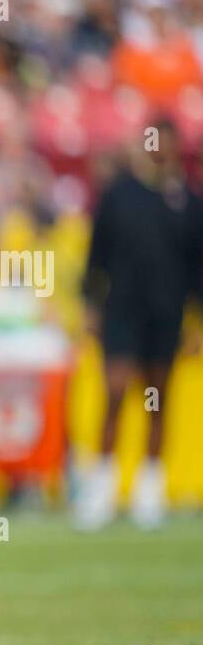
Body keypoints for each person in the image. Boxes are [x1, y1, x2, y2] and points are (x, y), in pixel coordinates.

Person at [75, 121, 203, 530]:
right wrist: (91, 307)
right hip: (123, 310)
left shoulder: (188, 200)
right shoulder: (120, 194)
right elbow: (97, 254)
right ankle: (102, 487)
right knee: (114, 392)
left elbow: (197, 267)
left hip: (165, 314)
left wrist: (196, 321)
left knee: (156, 399)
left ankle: (150, 490)